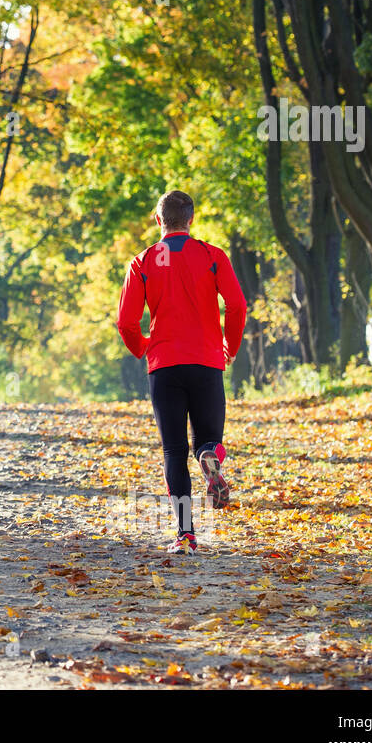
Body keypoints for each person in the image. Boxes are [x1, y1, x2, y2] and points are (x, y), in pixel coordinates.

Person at [116, 190, 247, 554]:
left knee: (173, 451)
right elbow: (236, 306)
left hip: (164, 366)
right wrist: (229, 347)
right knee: (208, 439)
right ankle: (211, 457)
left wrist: (145, 347)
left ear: (159, 221)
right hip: (206, 361)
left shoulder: (141, 262)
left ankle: (185, 535)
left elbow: (126, 322)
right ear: (191, 219)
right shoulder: (212, 255)